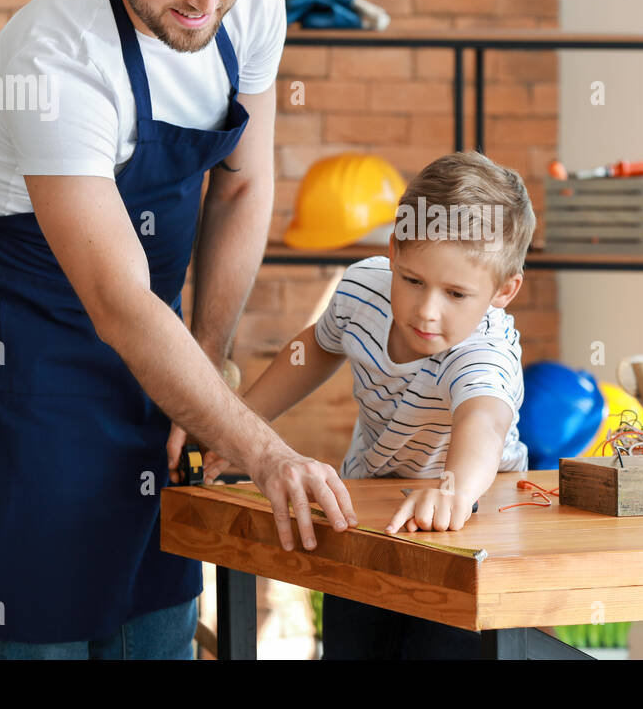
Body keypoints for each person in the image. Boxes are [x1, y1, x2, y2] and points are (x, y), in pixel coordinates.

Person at [0, 0, 355, 661]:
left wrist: (208, 360)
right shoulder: (53, 61)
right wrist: (260, 450)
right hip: (22, 355)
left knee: (155, 627)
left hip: (154, 346)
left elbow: (241, 180)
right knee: (42, 634)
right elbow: (117, 302)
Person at [204, 151, 537, 658]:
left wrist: (453, 492)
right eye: (413, 281)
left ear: (503, 290)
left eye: (455, 294)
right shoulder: (364, 288)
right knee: (351, 640)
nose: (427, 310)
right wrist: (241, 424)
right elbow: (316, 347)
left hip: (473, 523)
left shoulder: (484, 352)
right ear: (395, 251)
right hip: (373, 506)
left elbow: (485, 422)